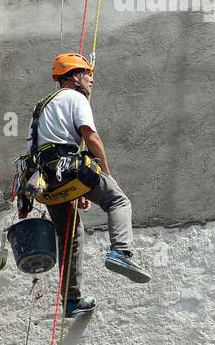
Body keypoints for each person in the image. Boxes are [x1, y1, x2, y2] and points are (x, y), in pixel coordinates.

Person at [28, 53, 151, 319]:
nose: (91, 79)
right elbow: (91, 137)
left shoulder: (40, 108)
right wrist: (106, 173)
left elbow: (35, 148)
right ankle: (121, 251)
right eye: (87, 74)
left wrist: (79, 192)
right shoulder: (76, 98)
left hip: (46, 180)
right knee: (117, 200)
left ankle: (71, 301)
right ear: (74, 77)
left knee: (70, 234)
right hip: (68, 166)